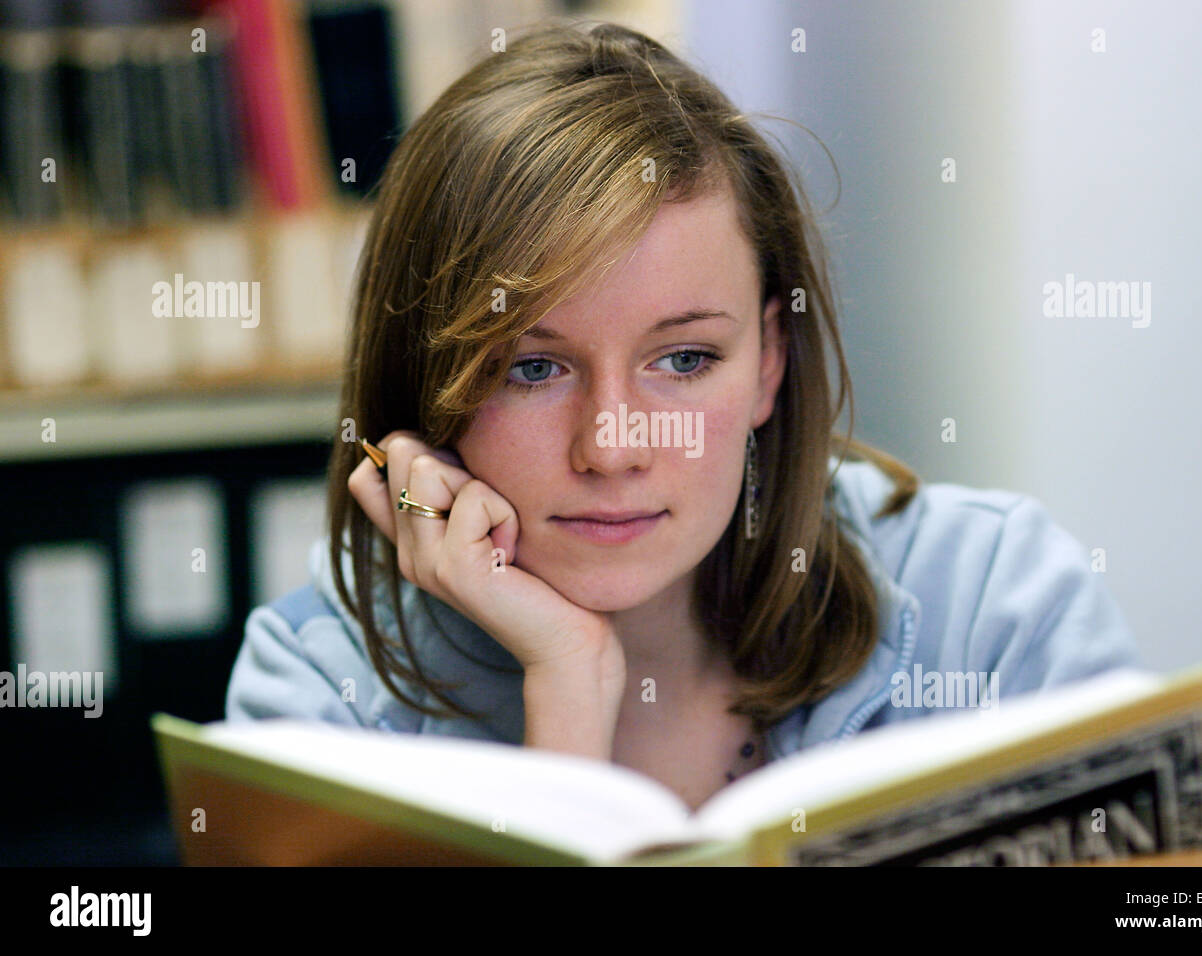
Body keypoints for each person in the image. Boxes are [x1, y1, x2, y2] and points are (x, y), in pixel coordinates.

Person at [225, 20, 1139, 813]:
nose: (613, 446)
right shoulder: (323, 701)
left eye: (685, 360)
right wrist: (569, 689)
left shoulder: (993, 610)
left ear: (770, 364)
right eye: (532, 368)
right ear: (421, 387)